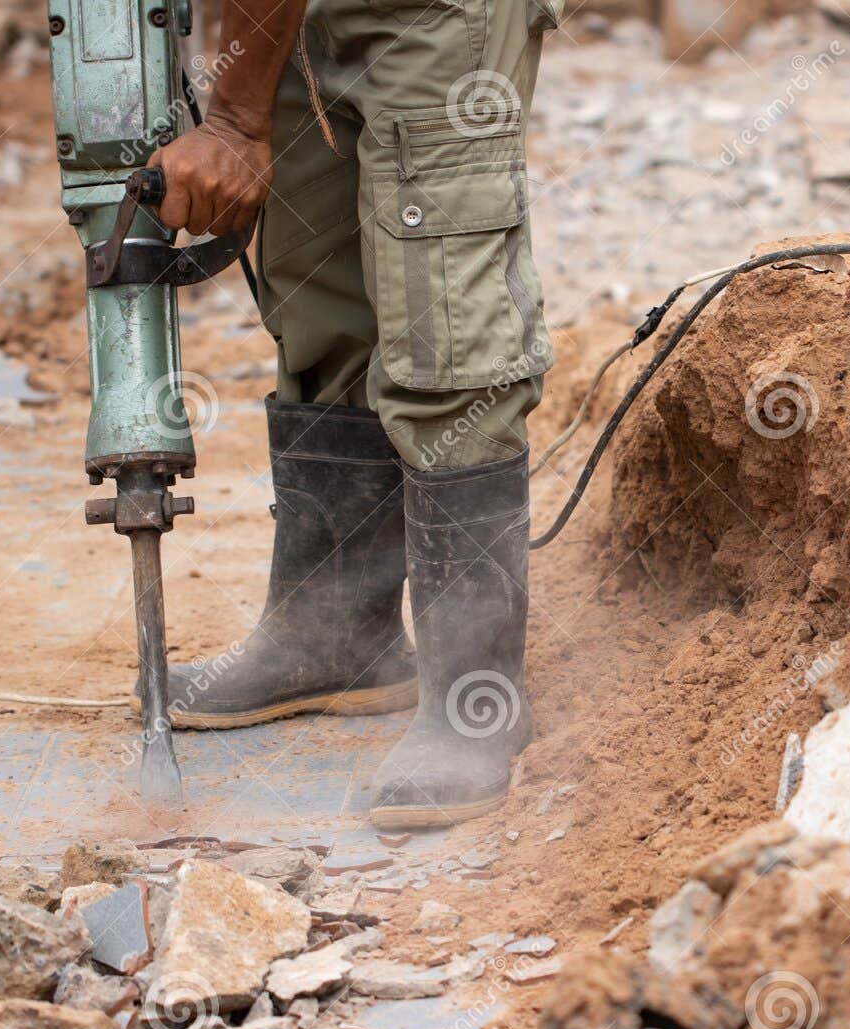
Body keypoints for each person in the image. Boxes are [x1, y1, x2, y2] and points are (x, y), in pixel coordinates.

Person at [147, 0, 562, 827]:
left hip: (437, 12)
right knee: (322, 299)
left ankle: (475, 697)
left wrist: (231, 118)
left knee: (443, 322)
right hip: (290, 16)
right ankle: (333, 634)